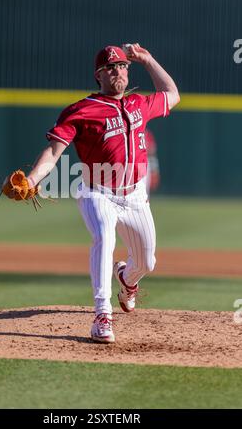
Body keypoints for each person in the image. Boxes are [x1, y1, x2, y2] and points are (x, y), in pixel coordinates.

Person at [19, 43, 180, 343]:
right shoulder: (81, 110)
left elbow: (173, 94)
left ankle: (126, 280)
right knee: (104, 235)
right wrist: (32, 179)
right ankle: (101, 315)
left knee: (147, 263)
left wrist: (146, 59)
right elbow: (54, 153)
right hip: (98, 191)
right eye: (110, 67)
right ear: (99, 75)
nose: (117, 70)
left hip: (134, 196)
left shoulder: (139, 104)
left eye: (121, 65)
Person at [145, 128, 160, 195]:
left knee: (145, 191)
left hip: (145, 164)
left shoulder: (147, 133)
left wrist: (154, 170)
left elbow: (151, 153)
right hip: (129, 164)